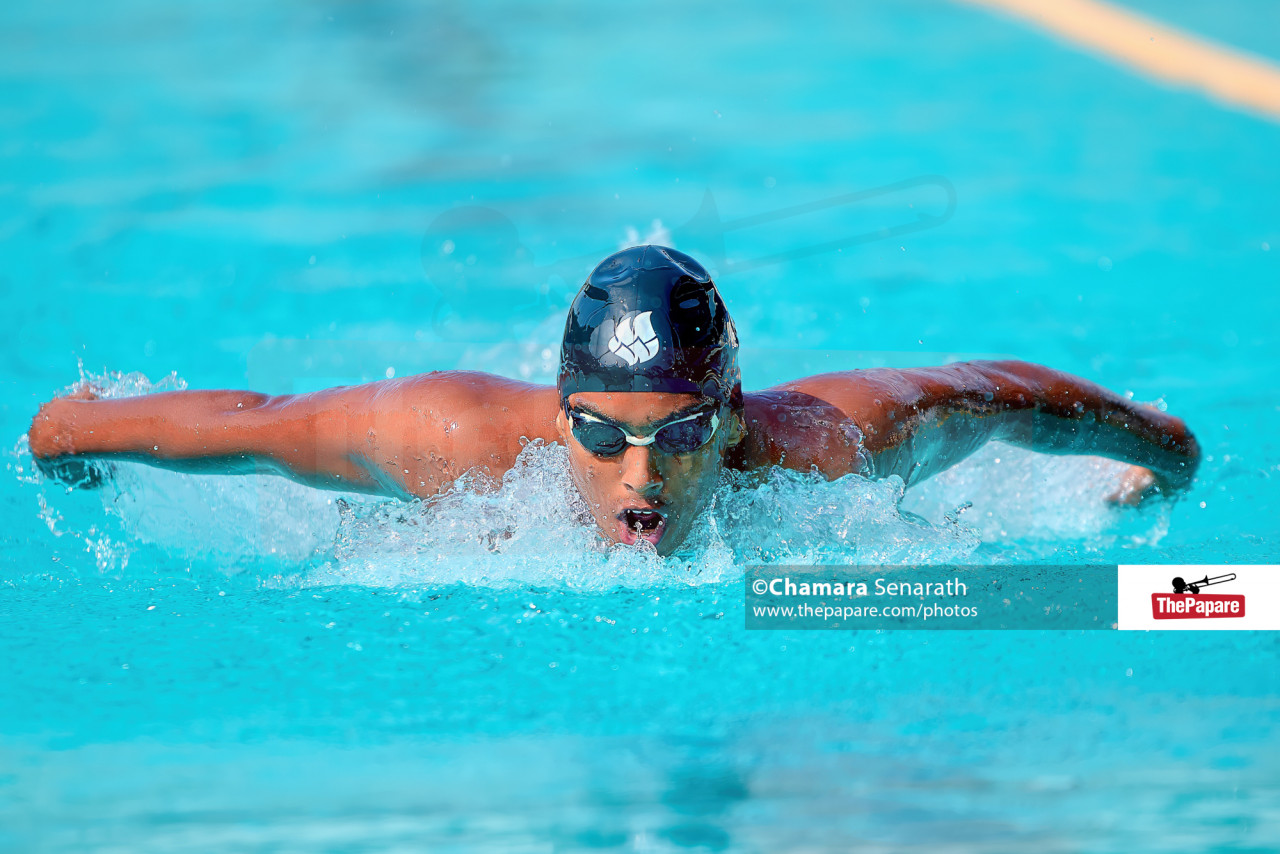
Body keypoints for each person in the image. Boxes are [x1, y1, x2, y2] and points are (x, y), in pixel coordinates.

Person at [27, 245, 1200, 556]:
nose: (641, 476)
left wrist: (1162, 447)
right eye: (601, 434)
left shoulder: (820, 447)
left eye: (678, 434)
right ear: (559, 416)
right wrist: (72, 431)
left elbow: (997, 395)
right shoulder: (454, 442)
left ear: (728, 421)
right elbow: (253, 425)